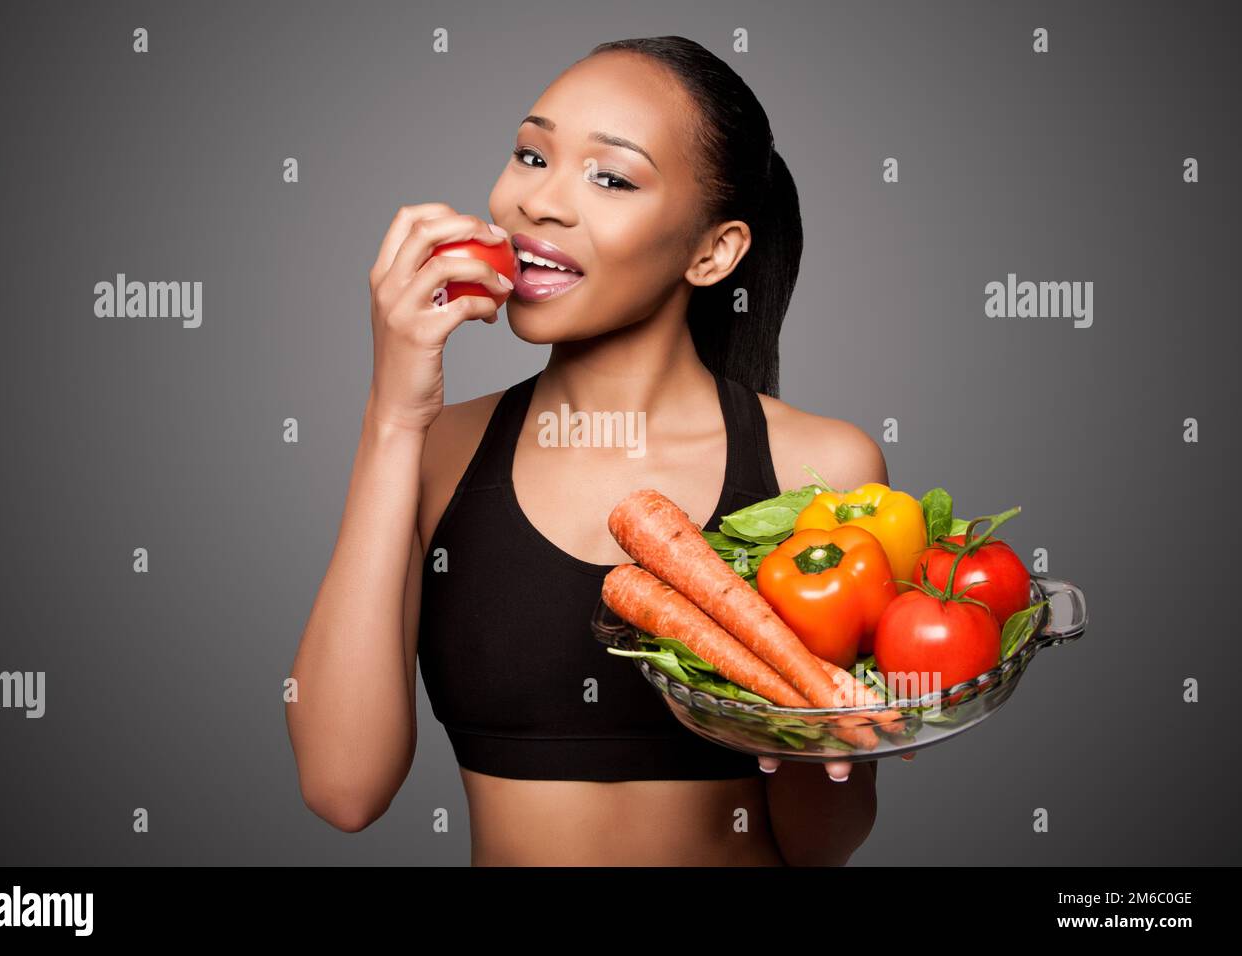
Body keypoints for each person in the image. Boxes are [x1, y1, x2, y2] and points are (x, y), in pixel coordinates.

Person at [286, 35, 889, 866]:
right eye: (532, 155)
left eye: (610, 177)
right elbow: (342, 789)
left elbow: (820, 846)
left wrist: (822, 726)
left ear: (714, 252)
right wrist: (392, 416)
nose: (540, 202)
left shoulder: (822, 470)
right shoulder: (434, 453)